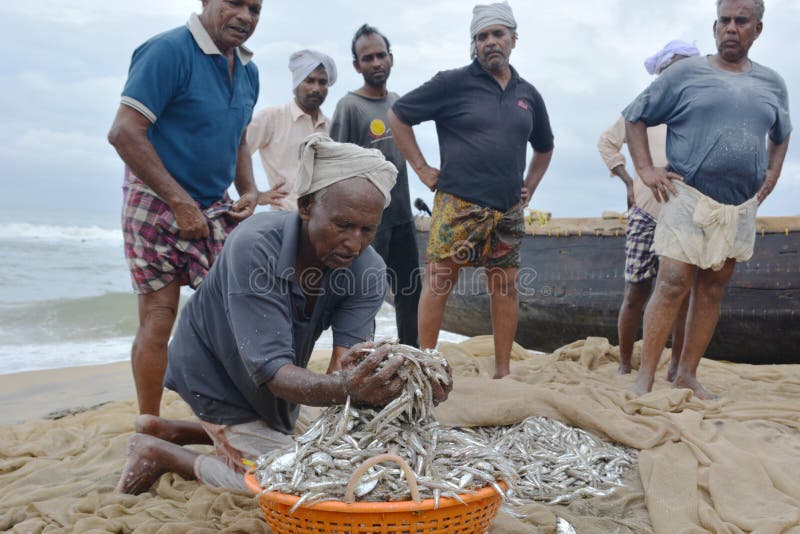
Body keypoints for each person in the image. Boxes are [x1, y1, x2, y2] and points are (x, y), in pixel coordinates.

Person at [116, 135, 453, 495]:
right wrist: (345, 389)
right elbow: (274, 372)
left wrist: (409, 386)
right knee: (287, 485)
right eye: (342, 225)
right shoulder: (254, 246)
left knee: (324, 445)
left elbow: (346, 367)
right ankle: (161, 452)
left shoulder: (367, 269)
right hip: (213, 375)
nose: (354, 243)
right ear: (306, 206)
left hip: (276, 382)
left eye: (367, 229)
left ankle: (172, 429)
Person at [624, 0, 791, 398]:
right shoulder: (685, 73)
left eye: (741, 21)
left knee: (713, 288)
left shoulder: (772, 83)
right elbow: (634, 116)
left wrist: (771, 174)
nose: (731, 28)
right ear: (715, 27)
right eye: (724, 21)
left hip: (737, 205)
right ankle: (645, 376)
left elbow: (782, 134)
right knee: (672, 281)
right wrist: (646, 170)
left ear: (758, 29)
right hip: (687, 196)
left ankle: (686, 373)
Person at [107, 0, 263, 417]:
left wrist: (248, 188)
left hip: (214, 206)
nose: (245, 17)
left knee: (237, 312)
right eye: (235, 3)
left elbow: (240, 137)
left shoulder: (249, 71)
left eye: (256, 8)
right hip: (156, 200)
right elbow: (124, 132)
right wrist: (179, 202)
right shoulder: (168, 51)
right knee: (159, 318)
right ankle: (149, 424)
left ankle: (231, 414)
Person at [389, 1, 554, 378]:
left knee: (506, 288)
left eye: (498, 34)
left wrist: (529, 185)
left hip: (508, 209)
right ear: (474, 43)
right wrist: (421, 168)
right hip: (458, 202)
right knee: (439, 282)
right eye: (482, 36)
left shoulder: (528, 94)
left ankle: (502, 371)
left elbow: (544, 147)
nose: (490, 42)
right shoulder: (452, 82)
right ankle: (425, 368)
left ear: (513, 39)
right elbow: (398, 116)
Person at [597, 41, 700, 376]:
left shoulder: (699, 108)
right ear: (664, 71)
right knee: (637, 291)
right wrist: (629, 181)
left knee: (681, 293)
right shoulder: (644, 106)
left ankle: (674, 370)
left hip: (685, 212)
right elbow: (607, 142)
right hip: (645, 210)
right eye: (677, 66)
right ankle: (626, 364)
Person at [330, 24, 421, 347]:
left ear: (391, 59)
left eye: (381, 55)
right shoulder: (349, 107)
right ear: (357, 66)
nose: (376, 62)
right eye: (367, 58)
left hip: (402, 218)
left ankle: (412, 356)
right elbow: (335, 167)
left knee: (411, 291)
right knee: (366, 291)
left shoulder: (399, 104)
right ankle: (360, 356)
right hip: (367, 224)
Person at [247, 50, 337, 211]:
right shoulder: (271, 118)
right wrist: (254, 193)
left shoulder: (332, 128)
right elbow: (235, 153)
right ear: (296, 83)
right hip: (283, 219)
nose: (316, 88)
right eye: (309, 80)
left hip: (323, 221)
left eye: (322, 82)